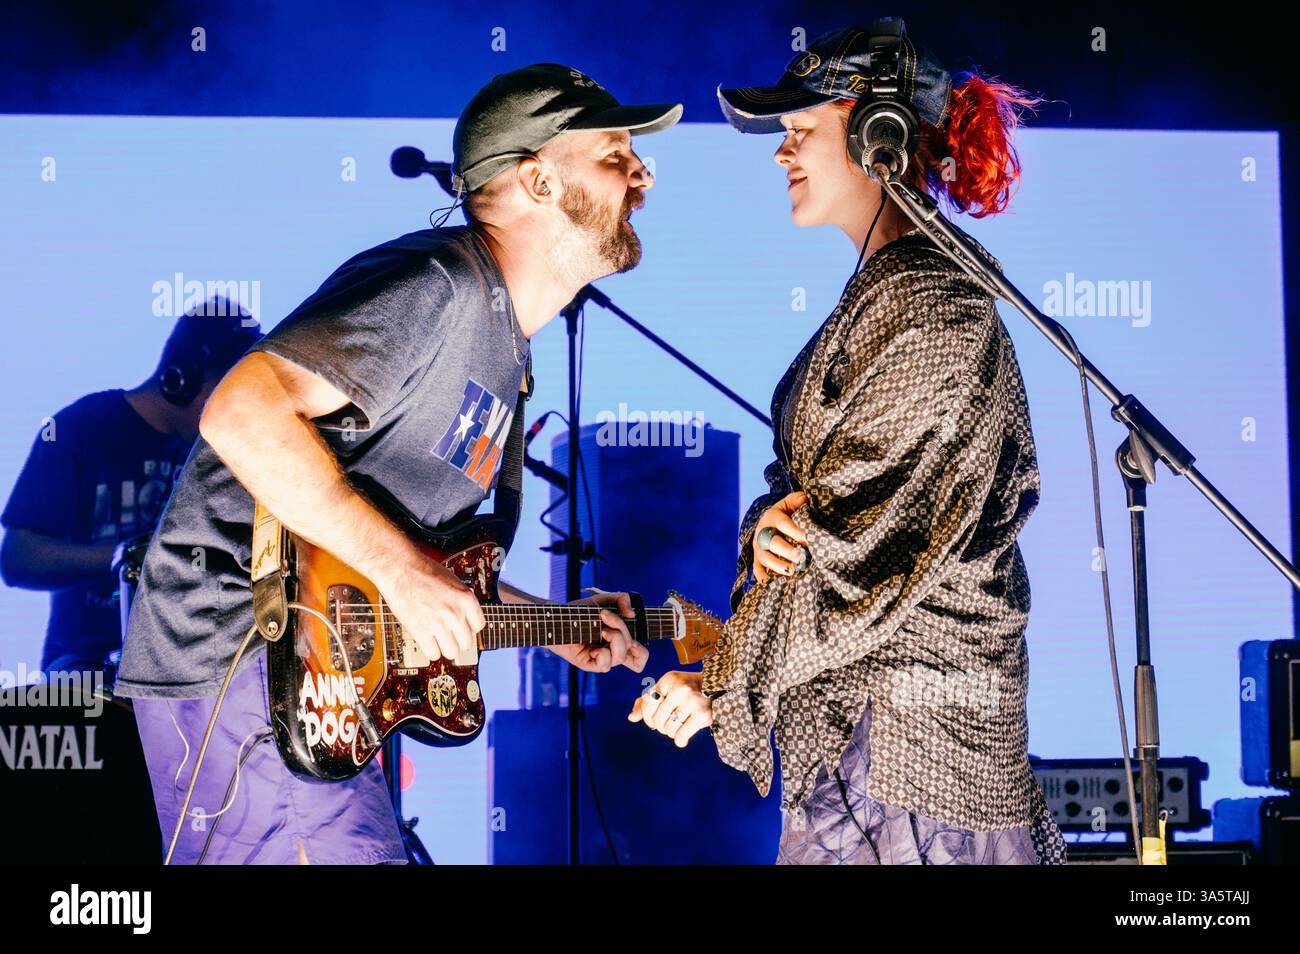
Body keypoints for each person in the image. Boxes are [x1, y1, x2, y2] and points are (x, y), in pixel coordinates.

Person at [114, 63, 681, 864]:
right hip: (248, 658)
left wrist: (552, 628)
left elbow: (421, 556)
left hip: (312, 677)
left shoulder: (504, 345)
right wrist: (407, 577)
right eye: (616, 151)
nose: (642, 173)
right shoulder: (439, 284)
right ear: (538, 178)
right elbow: (240, 410)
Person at [630, 22, 1068, 865]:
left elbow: (859, 554)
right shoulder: (890, 293)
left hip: (919, 764)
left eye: (800, 130)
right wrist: (767, 529)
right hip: (876, 758)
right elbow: (817, 504)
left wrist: (724, 682)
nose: (779, 152)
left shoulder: (935, 310)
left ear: (880, 137)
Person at [1, 298, 261, 675]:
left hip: (190, 667)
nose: (231, 404)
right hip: (88, 666)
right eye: (223, 387)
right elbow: (17, 558)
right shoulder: (81, 428)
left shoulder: (216, 450)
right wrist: (129, 558)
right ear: (180, 379)